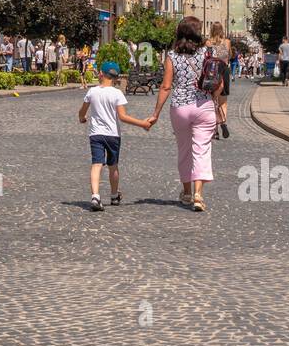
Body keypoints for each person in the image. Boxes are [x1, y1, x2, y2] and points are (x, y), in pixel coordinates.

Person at [150, 16, 220, 212]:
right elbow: (219, 81)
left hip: (180, 107)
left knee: (184, 150)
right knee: (201, 150)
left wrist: (156, 113)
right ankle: (198, 194)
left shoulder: (172, 56)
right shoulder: (208, 52)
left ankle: (187, 192)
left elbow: (166, 87)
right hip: (203, 105)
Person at [79, 61, 153, 211]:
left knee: (96, 164)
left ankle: (95, 196)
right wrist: (142, 124)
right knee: (113, 166)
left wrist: (82, 118)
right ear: (115, 77)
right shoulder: (117, 93)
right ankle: (114, 195)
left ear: (101, 74)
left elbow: (82, 111)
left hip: (96, 134)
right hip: (113, 135)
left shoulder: (92, 92)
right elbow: (123, 117)